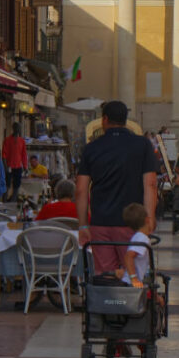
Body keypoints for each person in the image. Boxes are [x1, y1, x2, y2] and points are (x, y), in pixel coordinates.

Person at [75, 100, 158, 272]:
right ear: (125, 120)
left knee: (105, 275)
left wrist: (83, 225)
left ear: (104, 119)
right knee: (133, 273)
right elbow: (150, 184)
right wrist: (149, 217)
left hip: (100, 223)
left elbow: (81, 190)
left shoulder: (91, 148)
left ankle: (108, 290)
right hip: (132, 222)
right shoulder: (142, 145)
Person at [115, 203, 152, 288]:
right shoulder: (142, 239)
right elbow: (129, 256)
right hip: (133, 283)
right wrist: (134, 278)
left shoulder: (137, 236)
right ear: (147, 219)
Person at [2, 123, 28, 200]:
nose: (18, 129)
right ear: (13, 128)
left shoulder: (22, 141)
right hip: (9, 166)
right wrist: (5, 166)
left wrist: (25, 166)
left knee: (17, 185)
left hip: (18, 166)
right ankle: (4, 200)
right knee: (7, 184)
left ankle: (13, 200)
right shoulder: (7, 140)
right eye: (16, 128)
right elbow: (4, 154)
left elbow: (24, 155)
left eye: (19, 128)